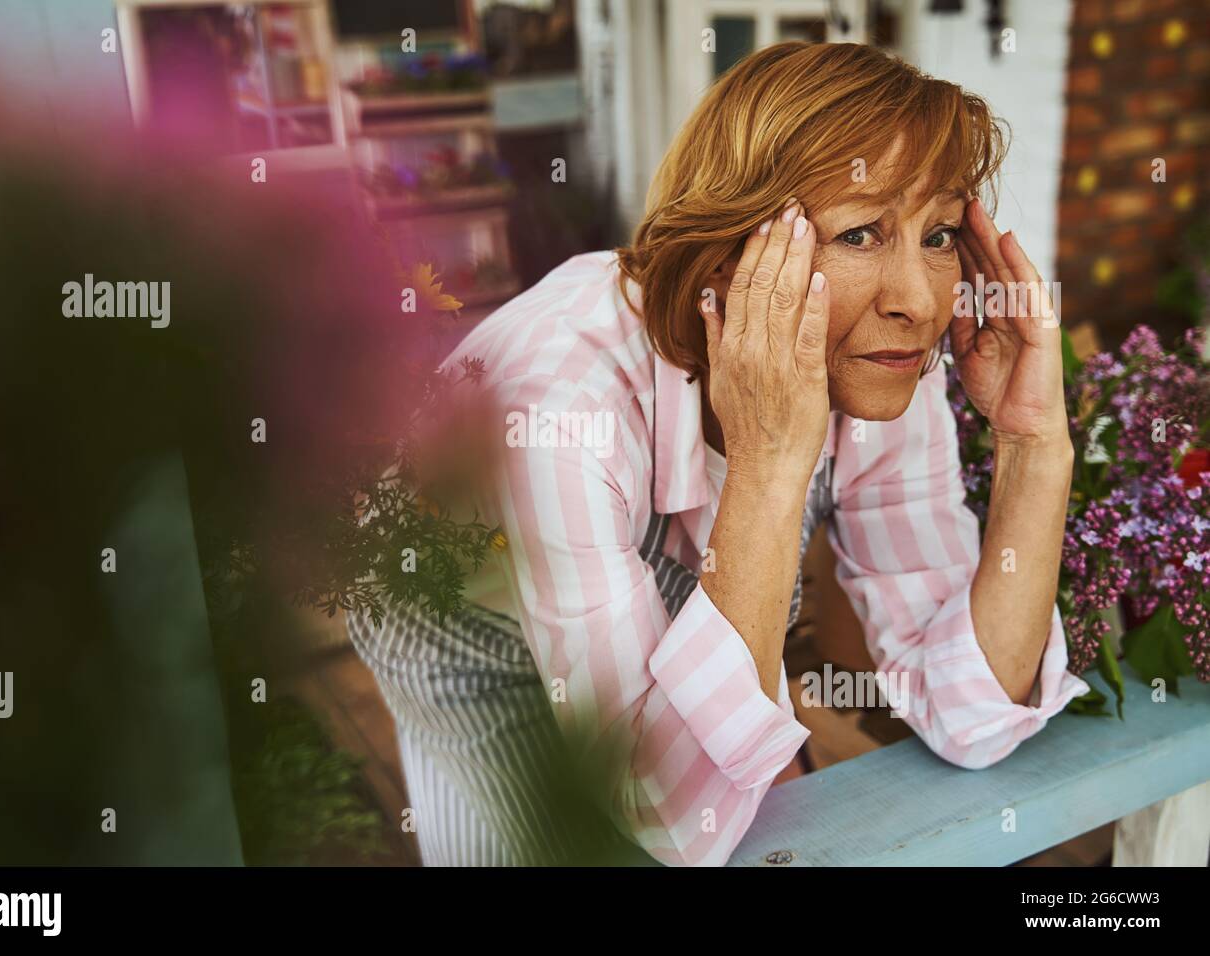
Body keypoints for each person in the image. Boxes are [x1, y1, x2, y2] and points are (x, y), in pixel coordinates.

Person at [348, 41, 1089, 867]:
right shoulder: (558, 410)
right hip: (470, 631)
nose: (917, 301)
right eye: (861, 234)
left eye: (940, 233)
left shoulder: (878, 359)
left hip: (679, 574)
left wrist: (1034, 447)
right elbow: (664, 818)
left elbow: (974, 717)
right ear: (728, 257)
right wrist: (772, 462)